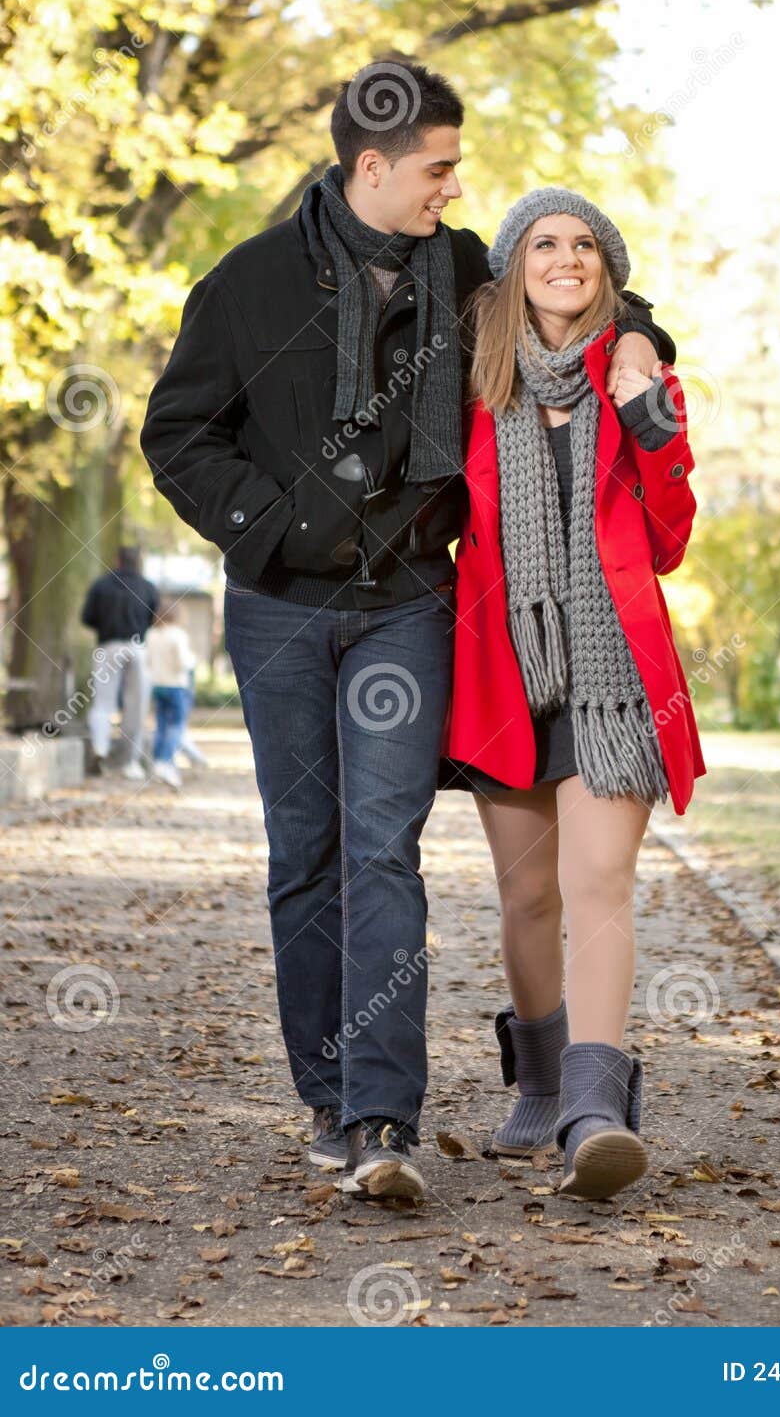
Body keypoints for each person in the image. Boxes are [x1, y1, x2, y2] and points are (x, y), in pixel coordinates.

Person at [139, 58, 676, 1204]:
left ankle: (387, 1112)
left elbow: (580, 301)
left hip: (406, 604)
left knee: (382, 845)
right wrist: (271, 524)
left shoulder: (464, 268)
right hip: (279, 605)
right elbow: (179, 433)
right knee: (308, 855)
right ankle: (331, 1101)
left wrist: (643, 347)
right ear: (370, 167)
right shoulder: (244, 285)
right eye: (436, 169)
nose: (451, 186)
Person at [441, 189, 704, 1201]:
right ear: (513, 270)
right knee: (527, 895)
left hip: (612, 679)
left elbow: (670, 537)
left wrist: (651, 418)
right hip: (501, 672)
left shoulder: (638, 378)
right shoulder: (471, 384)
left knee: (597, 886)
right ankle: (542, 1079)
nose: (566, 257)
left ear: (608, 271)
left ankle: (595, 1111)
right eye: (544, 243)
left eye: (585, 244)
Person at [81, 546, 159, 780]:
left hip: (108, 646)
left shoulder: (101, 585)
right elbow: (152, 617)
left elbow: (87, 617)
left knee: (103, 702)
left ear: (117, 560)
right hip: (137, 648)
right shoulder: (148, 586)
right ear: (138, 561)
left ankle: (100, 748)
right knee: (136, 706)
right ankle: (129, 762)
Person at [146, 615, 198, 789]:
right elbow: (183, 662)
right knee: (176, 725)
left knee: (161, 725)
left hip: (158, 684)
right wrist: (193, 660)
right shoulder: (177, 634)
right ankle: (166, 762)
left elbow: (148, 661)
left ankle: (157, 762)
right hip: (176, 685)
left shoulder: (151, 634)